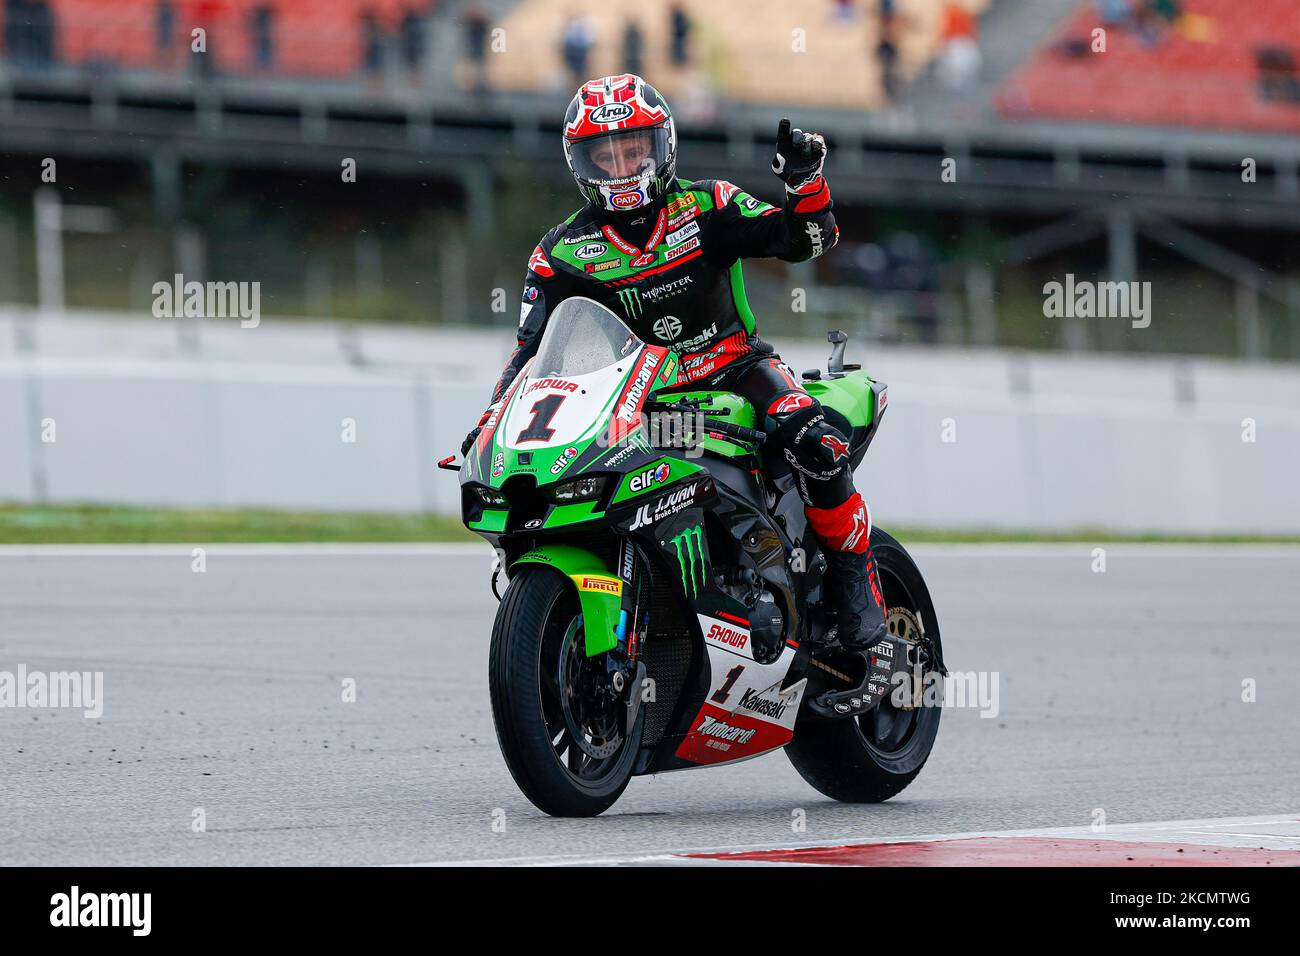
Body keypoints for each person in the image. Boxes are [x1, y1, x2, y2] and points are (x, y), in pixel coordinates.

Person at [461, 74, 887, 652]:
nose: (621, 166)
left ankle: (854, 579)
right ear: (579, 163)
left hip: (734, 370)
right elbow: (530, 351)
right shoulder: (558, 252)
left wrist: (806, 184)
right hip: (637, 399)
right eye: (604, 155)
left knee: (813, 439)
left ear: (661, 146)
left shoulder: (708, 203)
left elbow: (805, 240)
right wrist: (492, 421)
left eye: (633, 148)